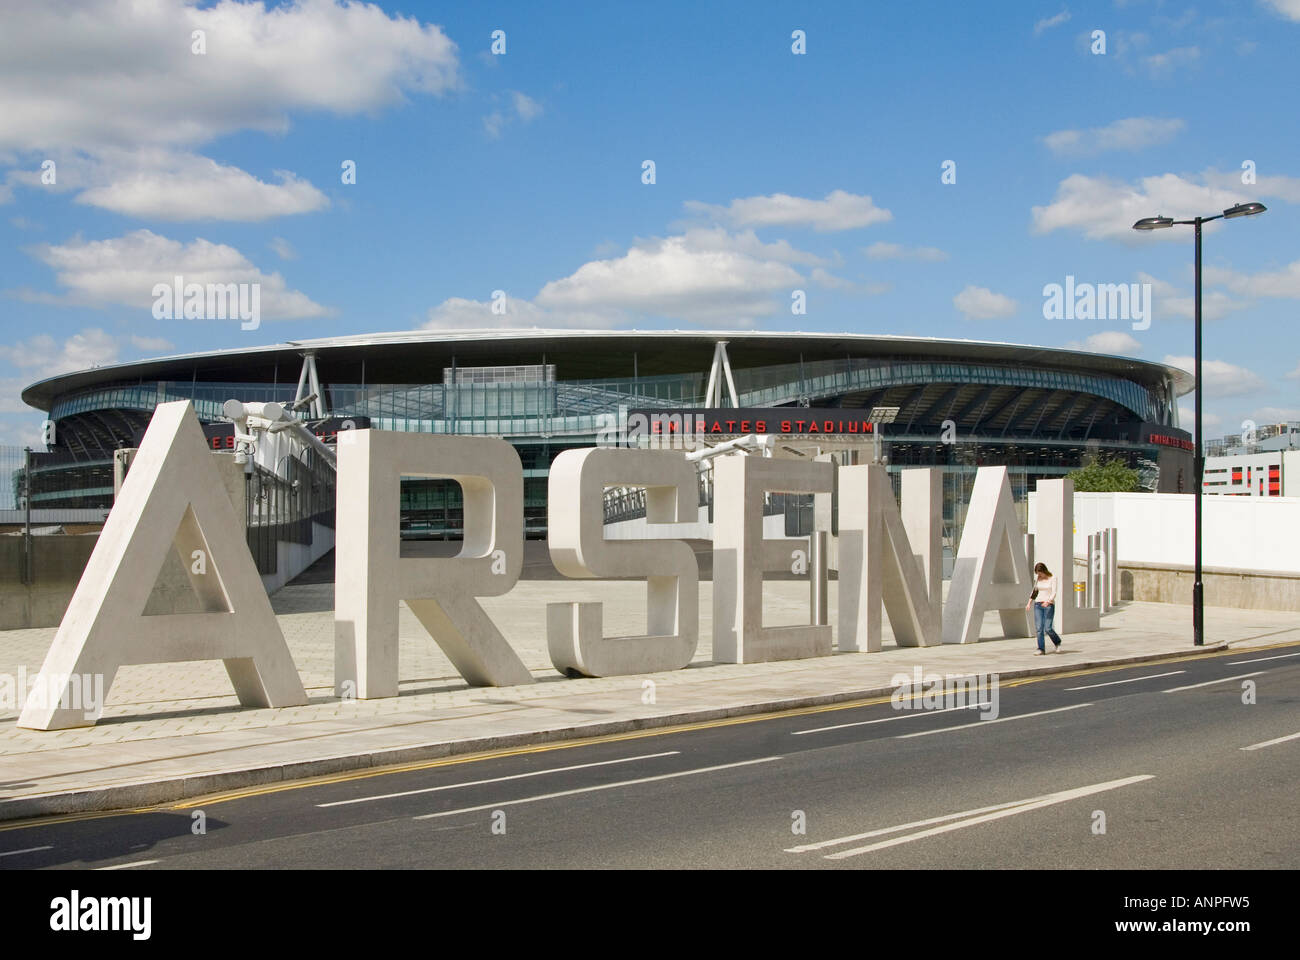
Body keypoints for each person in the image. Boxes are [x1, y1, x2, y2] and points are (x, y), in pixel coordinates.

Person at [1026, 562, 1063, 655]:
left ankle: (1057, 642)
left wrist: (1048, 601)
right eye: (1037, 573)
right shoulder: (1038, 579)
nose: (1039, 575)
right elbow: (1034, 592)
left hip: (1048, 605)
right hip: (1038, 605)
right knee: (1039, 628)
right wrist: (1029, 603)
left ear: (1044, 571)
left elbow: (1054, 592)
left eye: (1040, 573)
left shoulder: (1053, 578)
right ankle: (1041, 649)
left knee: (1048, 628)